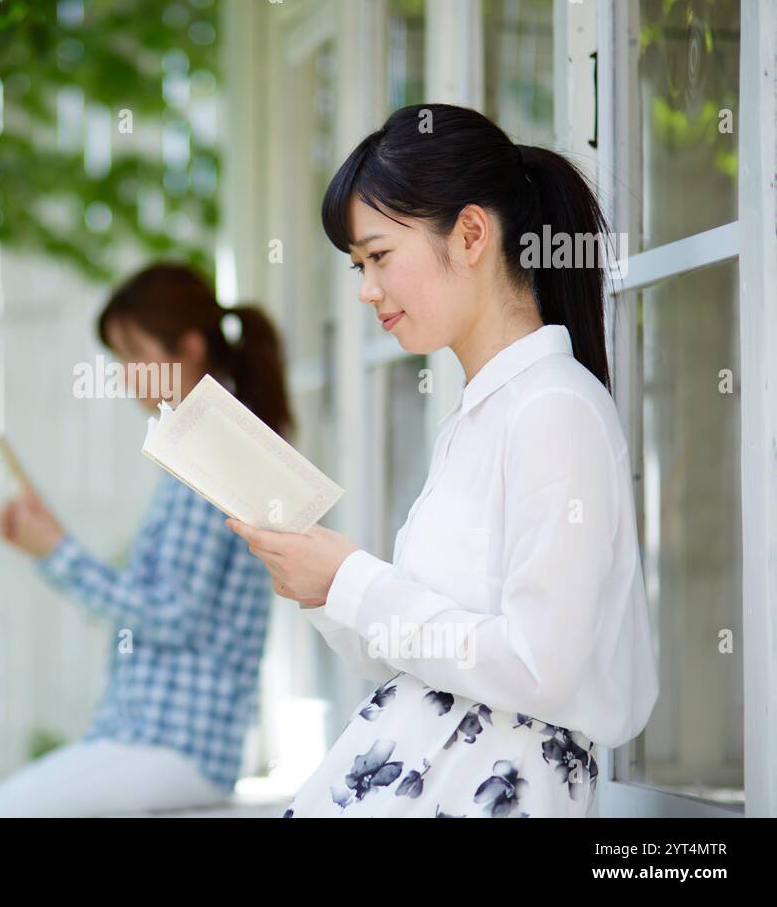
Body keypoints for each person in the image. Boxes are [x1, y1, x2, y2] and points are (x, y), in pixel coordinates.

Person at [228, 104, 658, 818]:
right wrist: (326, 591)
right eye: (359, 265)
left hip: (488, 780)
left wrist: (353, 581)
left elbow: (538, 666)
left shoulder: (554, 409)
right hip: (426, 765)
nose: (367, 289)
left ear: (469, 234)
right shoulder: (478, 416)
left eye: (380, 256)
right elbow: (425, 653)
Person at [0, 262, 292, 817]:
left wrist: (57, 554)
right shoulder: (211, 444)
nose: (124, 374)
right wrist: (54, 543)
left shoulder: (216, 452)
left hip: (172, 745)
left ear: (189, 347)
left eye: (133, 354)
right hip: (164, 742)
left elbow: (173, 613)